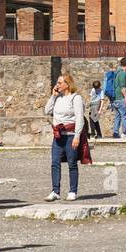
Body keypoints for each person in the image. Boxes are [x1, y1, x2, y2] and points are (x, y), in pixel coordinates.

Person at [44, 73, 85, 202]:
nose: (57, 85)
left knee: (72, 163)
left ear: (67, 84)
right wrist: (53, 96)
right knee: (55, 163)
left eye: (60, 83)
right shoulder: (58, 98)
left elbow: (79, 118)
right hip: (58, 136)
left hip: (70, 135)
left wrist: (77, 136)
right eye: (57, 83)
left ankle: (73, 191)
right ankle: (55, 191)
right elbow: (47, 111)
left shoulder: (76, 98)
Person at [109, 58, 126, 138]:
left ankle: (115, 133)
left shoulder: (117, 73)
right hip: (120, 97)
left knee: (118, 116)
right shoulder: (122, 73)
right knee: (124, 115)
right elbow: (123, 87)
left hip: (115, 98)